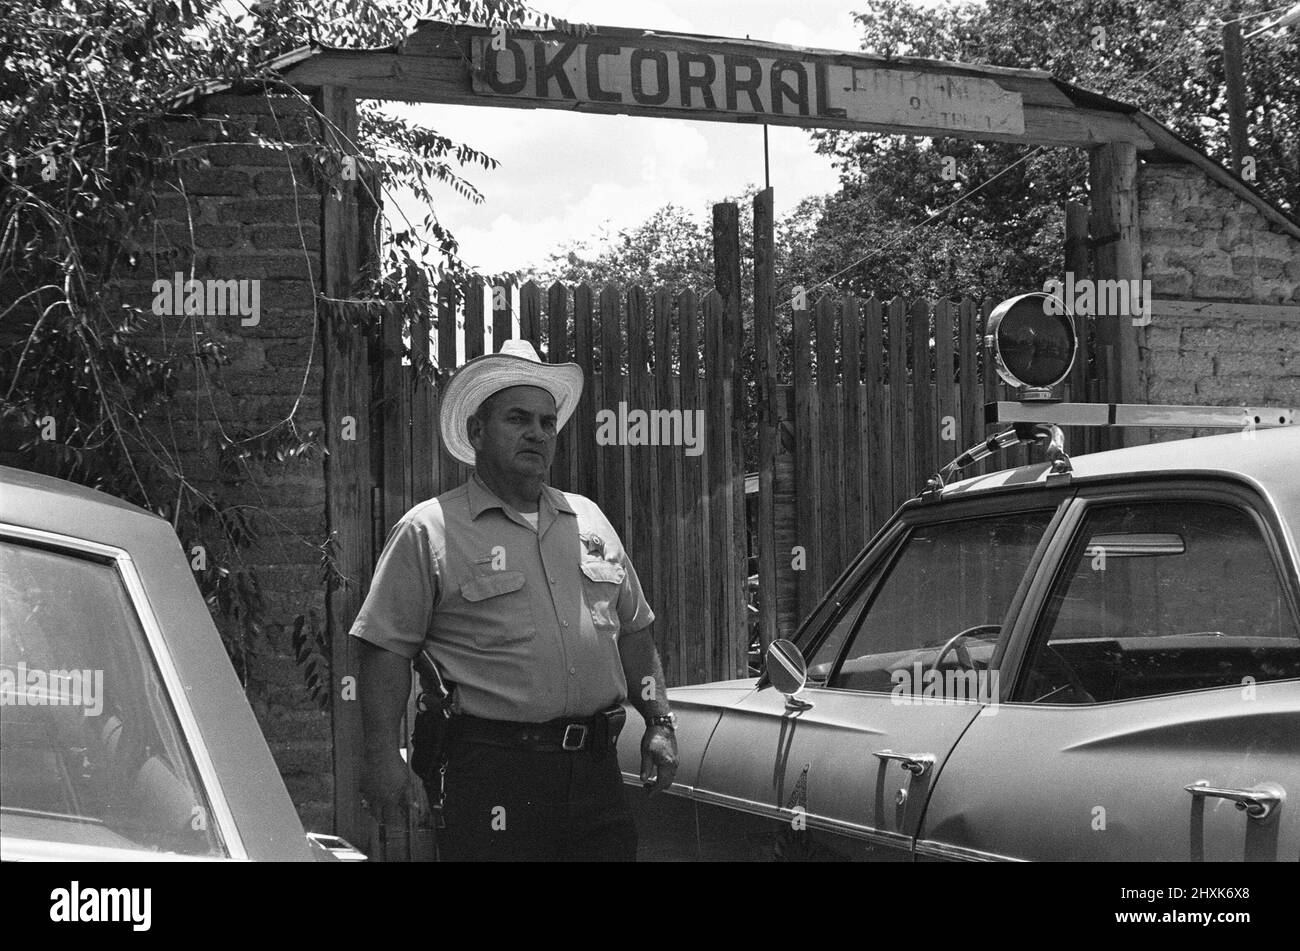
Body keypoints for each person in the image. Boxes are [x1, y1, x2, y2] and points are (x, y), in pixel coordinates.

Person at [351, 338, 678, 861]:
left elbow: (635, 630)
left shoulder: (588, 519)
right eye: (518, 419)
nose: (537, 433)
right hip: (490, 771)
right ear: (477, 432)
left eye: (547, 422)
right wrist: (383, 758)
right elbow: (384, 648)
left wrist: (659, 721)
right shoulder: (430, 529)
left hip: (595, 769)